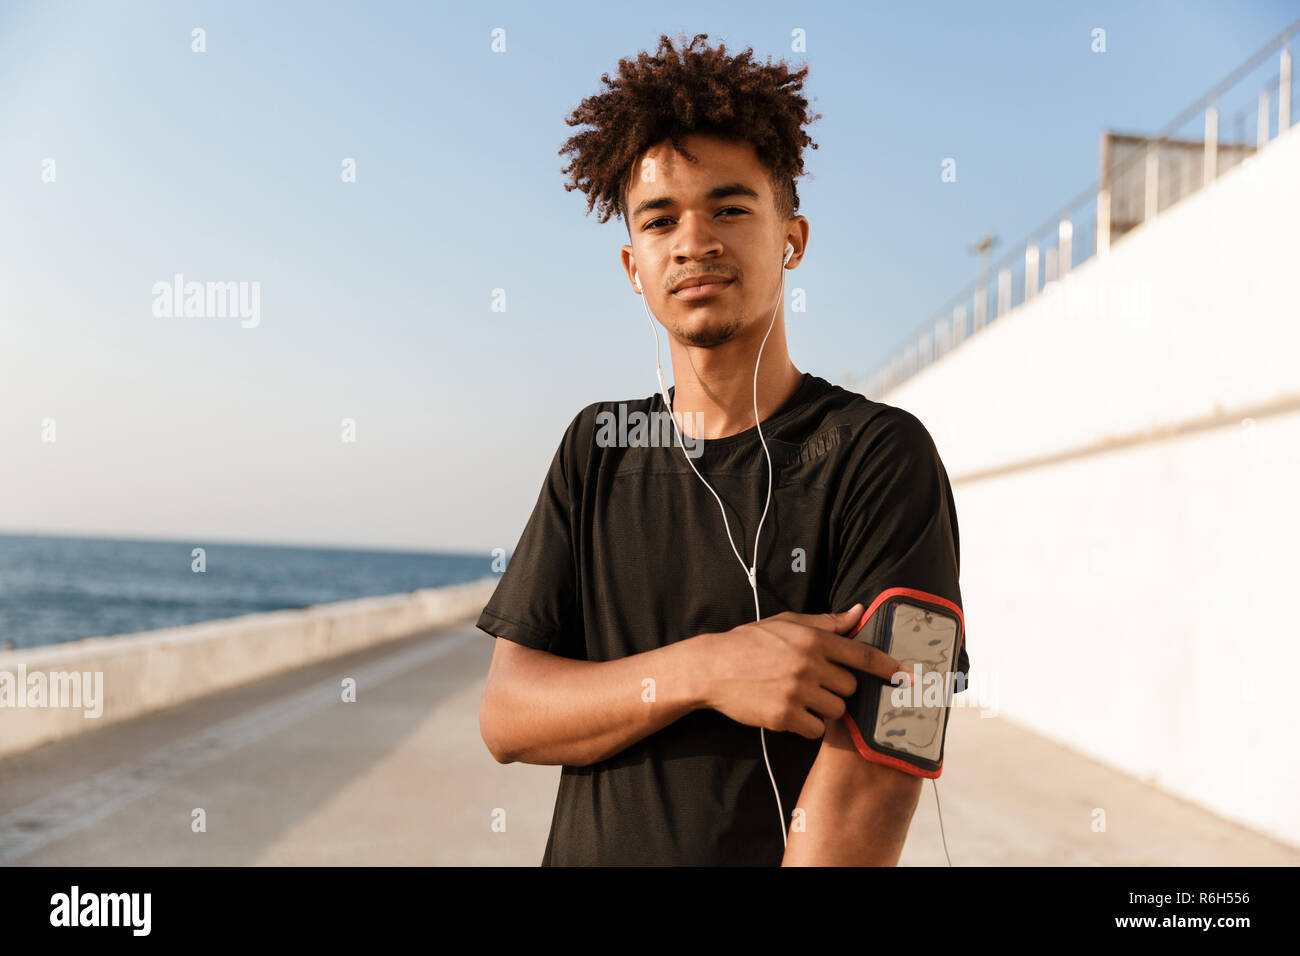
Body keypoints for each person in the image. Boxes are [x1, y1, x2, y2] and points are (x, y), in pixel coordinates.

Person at [477, 32, 970, 866]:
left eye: (730, 209)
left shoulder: (882, 454)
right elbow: (508, 716)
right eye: (661, 219)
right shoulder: (597, 448)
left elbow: (891, 754)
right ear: (635, 266)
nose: (693, 240)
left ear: (792, 239)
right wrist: (707, 669)